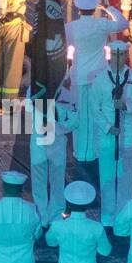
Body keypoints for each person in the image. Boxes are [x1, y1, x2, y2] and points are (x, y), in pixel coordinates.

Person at [65, 0, 128, 162]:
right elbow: (123, 23)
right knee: (98, 113)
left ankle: (80, 152)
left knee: (79, 112)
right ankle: (96, 151)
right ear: (94, 9)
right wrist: (108, 9)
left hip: (78, 75)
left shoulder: (70, 28)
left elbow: (63, 48)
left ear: (78, 9)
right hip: (99, 76)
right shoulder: (101, 24)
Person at [90, 41, 132, 226]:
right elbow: (94, 108)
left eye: (121, 55)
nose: (117, 58)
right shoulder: (100, 79)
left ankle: (123, 219)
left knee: (126, 178)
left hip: (128, 133)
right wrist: (107, 127)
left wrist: (125, 106)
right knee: (106, 177)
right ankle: (107, 219)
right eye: (114, 55)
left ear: (125, 56)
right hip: (107, 136)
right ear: (110, 56)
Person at [28, 73, 77, 227]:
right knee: (38, 183)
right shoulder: (34, 90)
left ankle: (56, 216)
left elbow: (74, 122)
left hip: (57, 144)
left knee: (57, 182)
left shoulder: (68, 95)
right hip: (39, 142)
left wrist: (57, 119)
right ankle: (41, 217)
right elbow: (30, 112)